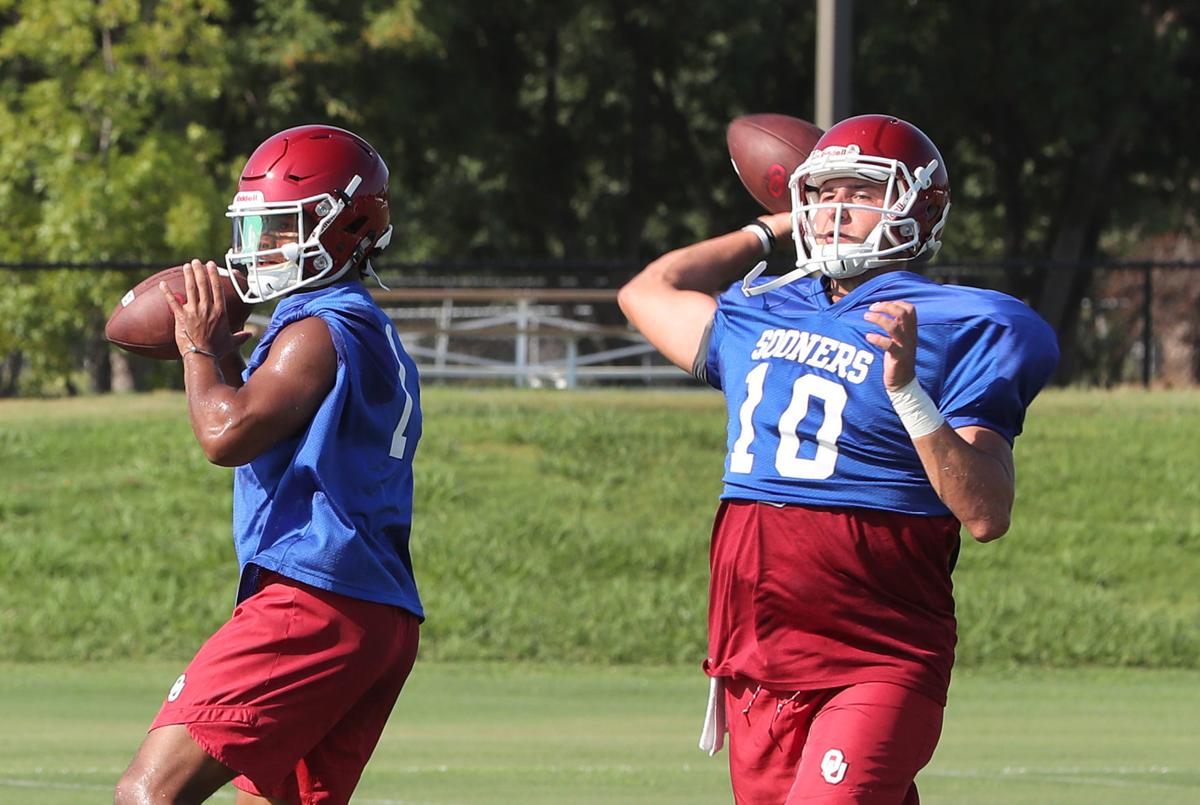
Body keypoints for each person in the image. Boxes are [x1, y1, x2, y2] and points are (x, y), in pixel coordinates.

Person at [618, 114, 1059, 804]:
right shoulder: (763, 307)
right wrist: (771, 228)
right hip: (758, 657)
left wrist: (909, 393)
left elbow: (986, 512)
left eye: (861, 192)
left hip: (876, 653)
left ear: (919, 207)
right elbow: (645, 292)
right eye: (824, 193)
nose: (835, 209)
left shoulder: (964, 322)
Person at [115, 124, 424, 805]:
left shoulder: (318, 327)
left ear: (345, 226)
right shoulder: (358, 325)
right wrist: (226, 355)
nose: (261, 247)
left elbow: (226, 434)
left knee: (148, 793)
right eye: (256, 228)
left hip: (313, 599)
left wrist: (198, 347)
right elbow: (261, 426)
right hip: (374, 610)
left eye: (283, 227)